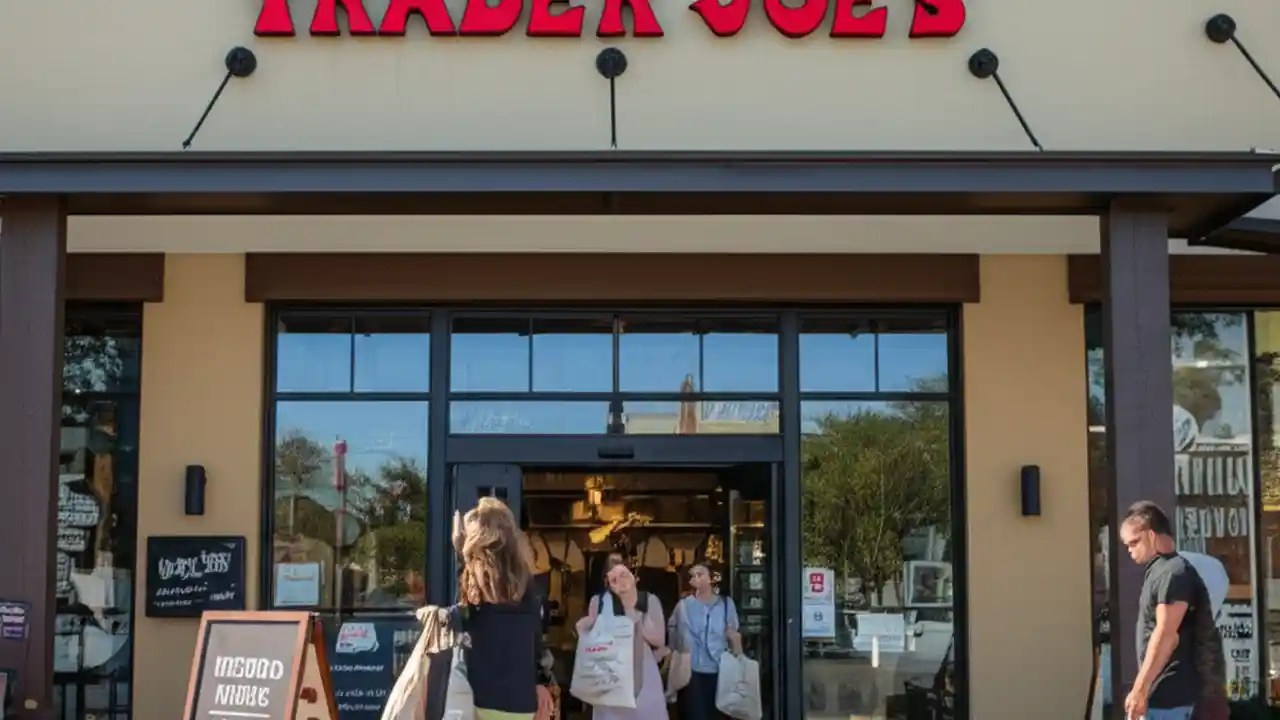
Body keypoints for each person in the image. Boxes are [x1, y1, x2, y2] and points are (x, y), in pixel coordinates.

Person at [453, 497, 556, 720]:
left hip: (480, 696)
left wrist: (460, 554)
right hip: (521, 702)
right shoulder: (526, 583)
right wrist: (539, 682)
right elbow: (535, 639)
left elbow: (458, 624)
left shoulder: (472, 581)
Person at [1119, 501, 1218, 720]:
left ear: (1150, 535)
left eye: (1134, 542)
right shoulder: (1163, 571)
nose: (1129, 550)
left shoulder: (1173, 573)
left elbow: (1166, 634)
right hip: (1164, 696)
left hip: (1171, 697)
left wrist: (1139, 689)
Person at [575, 556, 669, 719]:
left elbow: (659, 639)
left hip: (644, 676)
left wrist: (630, 609)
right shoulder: (598, 602)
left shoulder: (648, 600)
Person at [669, 563, 742, 720]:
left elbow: (734, 634)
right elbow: (673, 634)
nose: (696, 578)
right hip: (692, 671)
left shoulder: (726, 604)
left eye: (700, 574)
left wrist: (739, 658)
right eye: (692, 576)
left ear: (710, 578)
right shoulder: (683, 606)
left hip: (721, 670)